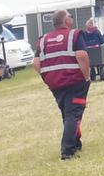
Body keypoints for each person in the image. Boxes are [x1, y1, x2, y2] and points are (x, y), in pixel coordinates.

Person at [33, 9, 91, 160]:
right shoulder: (74, 35)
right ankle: (67, 151)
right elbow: (82, 56)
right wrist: (87, 77)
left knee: (67, 114)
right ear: (66, 21)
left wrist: (47, 78)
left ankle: (76, 143)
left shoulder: (43, 40)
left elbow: (36, 63)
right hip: (75, 81)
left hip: (55, 84)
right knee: (73, 114)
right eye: (70, 16)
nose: (72, 18)